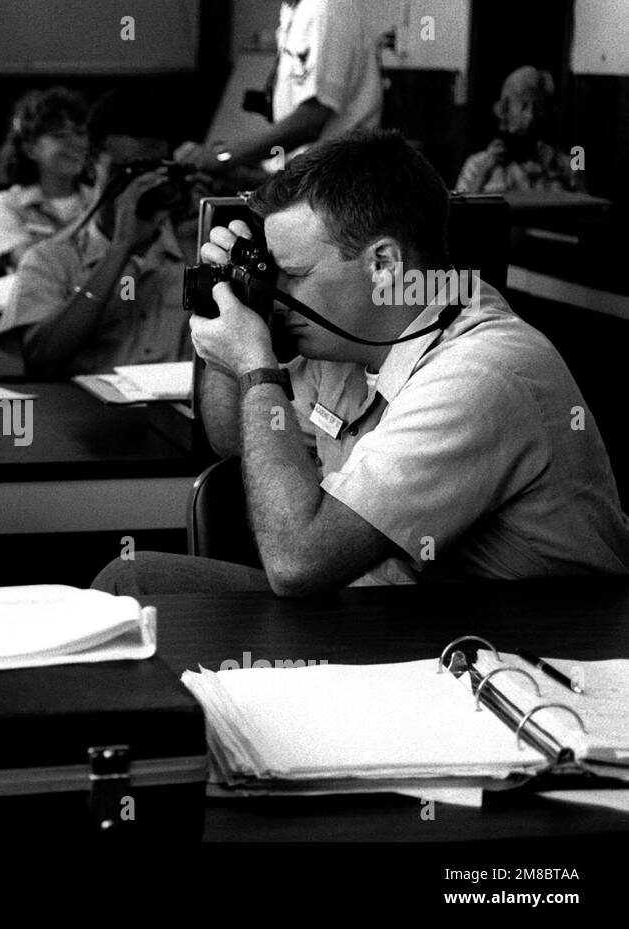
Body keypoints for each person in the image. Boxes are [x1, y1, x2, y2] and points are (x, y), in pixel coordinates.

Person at [93, 130, 629, 598]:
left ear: (383, 264)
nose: (281, 296)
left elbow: (297, 563)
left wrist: (257, 367)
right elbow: (232, 438)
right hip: (385, 612)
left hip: (517, 655)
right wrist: (231, 304)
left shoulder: (479, 373)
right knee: (130, 580)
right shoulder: (351, 338)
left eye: (294, 275)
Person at [0, 88, 198, 379]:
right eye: (125, 173)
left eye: (151, 171)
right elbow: (39, 362)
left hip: (173, 419)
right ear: (91, 165)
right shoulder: (51, 258)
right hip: (88, 418)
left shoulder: (194, 248)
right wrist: (119, 252)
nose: (139, 186)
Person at [177, 0, 383, 185]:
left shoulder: (324, 9)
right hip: (307, 175)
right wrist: (250, 171)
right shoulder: (294, 9)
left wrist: (223, 156)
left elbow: (311, 121)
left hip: (332, 182)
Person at [0, 87, 93, 270]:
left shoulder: (100, 201)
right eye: (61, 136)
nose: (76, 144)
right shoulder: (8, 204)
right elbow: (32, 266)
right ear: (31, 149)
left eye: (80, 133)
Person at [456, 65, 585, 194]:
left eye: (538, 106)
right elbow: (460, 211)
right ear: (505, 110)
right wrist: (484, 173)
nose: (531, 115)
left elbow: (589, 208)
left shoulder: (571, 162)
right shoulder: (476, 164)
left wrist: (554, 173)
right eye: (523, 106)